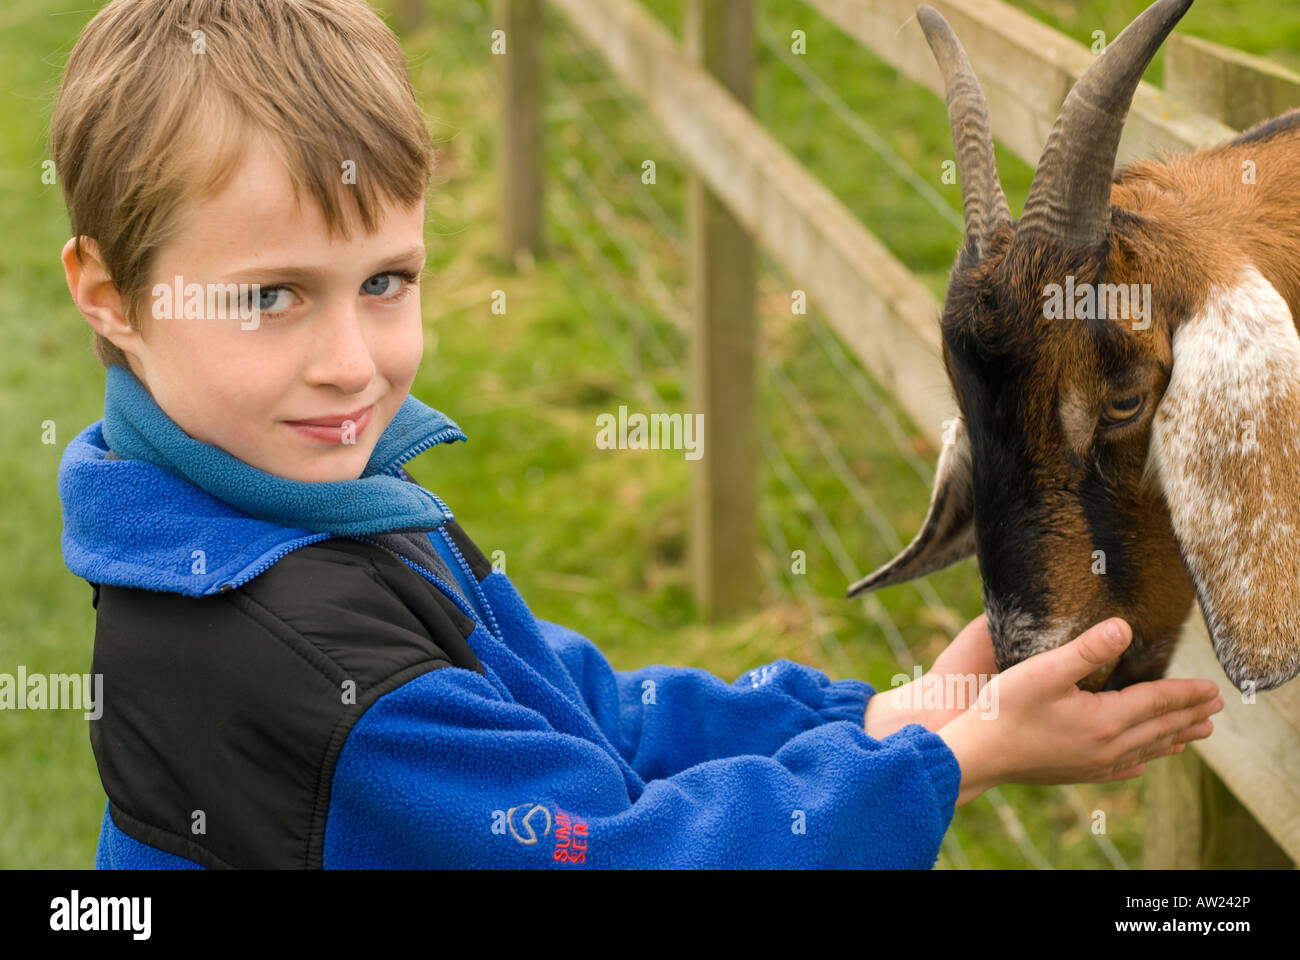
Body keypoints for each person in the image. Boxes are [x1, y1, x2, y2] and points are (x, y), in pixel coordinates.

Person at [52, 0, 1223, 869]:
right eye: (272, 296)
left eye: (386, 280)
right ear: (108, 295)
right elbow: (618, 854)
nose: (351, 363)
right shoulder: (308, 668)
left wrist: (878, 717)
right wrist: (950, 761)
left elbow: (583, 716)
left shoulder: (289, 503)